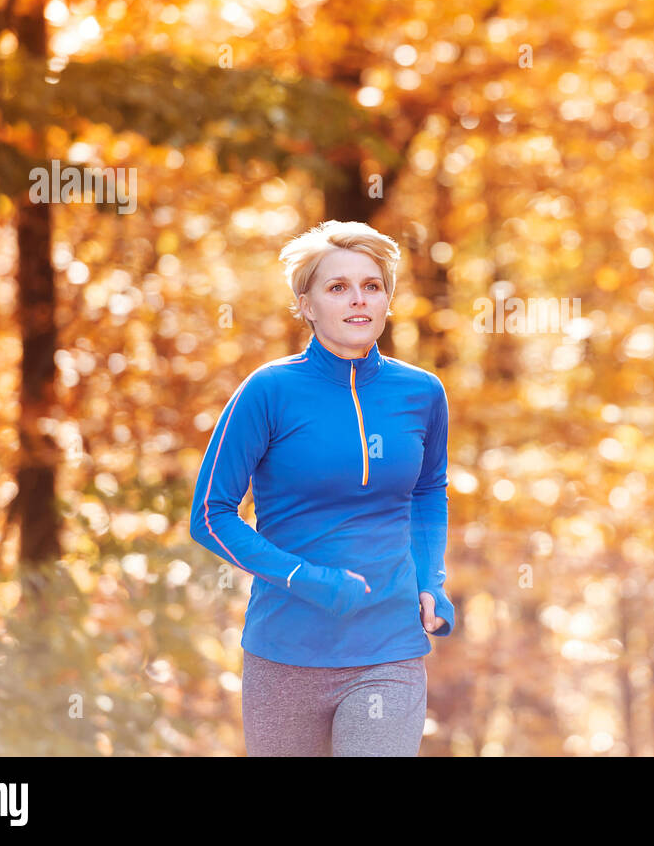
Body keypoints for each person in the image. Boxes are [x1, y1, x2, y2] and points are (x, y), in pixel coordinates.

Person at [189, 219, 455, 756]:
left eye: (371, 286)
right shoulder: (268, 391)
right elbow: (211, 515)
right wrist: (305, 578)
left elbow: (428, 491)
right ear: (307, 305)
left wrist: (431, 579)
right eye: (338, 288)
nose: (358, 300)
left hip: (389, 648)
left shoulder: (422, 392)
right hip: (285, 653)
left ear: (386, 300)